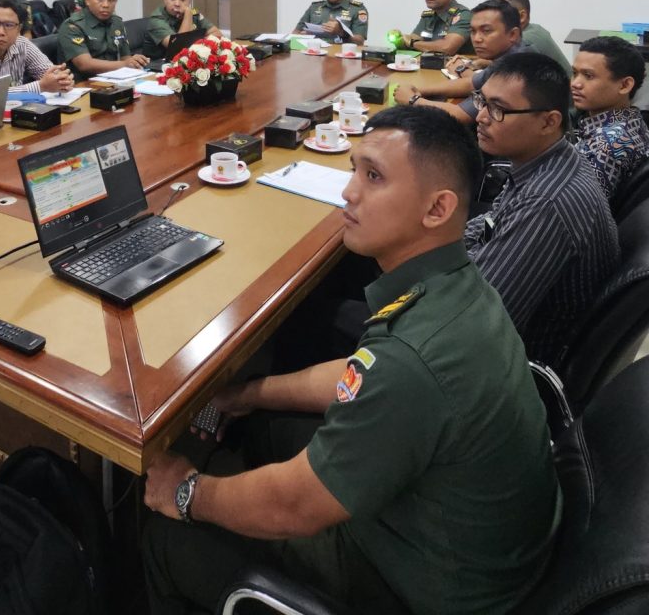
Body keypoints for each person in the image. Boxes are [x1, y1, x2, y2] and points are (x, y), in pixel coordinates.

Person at [143, 106, 560, 615]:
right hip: (468, 535)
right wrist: (246, 394)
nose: (348, 192)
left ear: (437, 209)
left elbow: (294, 505)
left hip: (422, 585)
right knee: (267, 426)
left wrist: (184, 492)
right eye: (355, 170)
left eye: (374, 177)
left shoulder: (414, 358)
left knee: (162, 537)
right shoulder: (453, 285)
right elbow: (355, 374)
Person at [464, 52, 619, 368]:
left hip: (510, 364)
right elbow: (490, 222)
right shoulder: (548, 159)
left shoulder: (545, 203)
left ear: (549, 121)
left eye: (499, 110)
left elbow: (474, 319)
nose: (480, 117)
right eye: (482, 102)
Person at [393, 0, 528, 123]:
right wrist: (419, 89)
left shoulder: (514, 70)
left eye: (486, 31)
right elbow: (471, 83)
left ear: (512, 34)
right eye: (473, 31)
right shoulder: (509, 57)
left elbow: (460, 114)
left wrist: (413, 100)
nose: (477, 39)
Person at [571, 35, 649, 204]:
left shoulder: (603, 147)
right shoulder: (634, 119)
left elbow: (579, 212)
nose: (575, 83)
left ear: (624, 85)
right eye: (574, 73)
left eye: (588, 76)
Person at [58, 0, 149, 77]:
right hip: (82, 85)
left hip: (114, 81)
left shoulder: (116, 22)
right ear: (87, 0)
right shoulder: (72, 26)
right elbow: (84, 64)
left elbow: (125, 57)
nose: (106, 4)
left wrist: (135, 61)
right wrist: (124, 65)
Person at [390, 0, 471, 53]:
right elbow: (413, 39)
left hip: (455, 65)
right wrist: (400, 39)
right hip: (428, 65)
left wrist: (412, 43)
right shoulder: (428, 16)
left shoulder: (462, 15)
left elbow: (447, 47)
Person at [141, 0, 221, 62]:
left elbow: (217, 34)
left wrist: (199, 43)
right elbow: (179, 49)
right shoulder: (156, 19)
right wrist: (187, 14)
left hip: (182, 63)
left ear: (189, 1)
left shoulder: (193, 13)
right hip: (156, 67)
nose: (177, 4)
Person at [493, 0, 570, 74]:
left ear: (522, 16)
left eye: (501, 14)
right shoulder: (534, 28)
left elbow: (502, 67)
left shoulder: (526, 39)